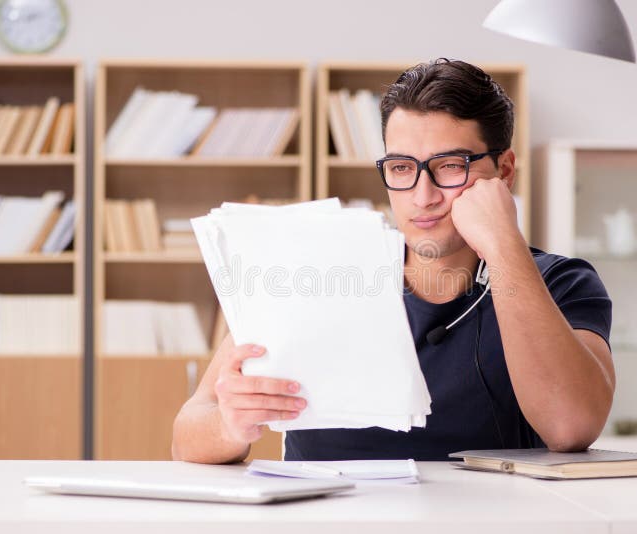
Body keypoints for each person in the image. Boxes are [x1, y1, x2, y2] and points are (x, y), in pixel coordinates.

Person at [172, 58, 614, 463]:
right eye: (402, 168)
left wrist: (502, 244)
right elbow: (187, 433)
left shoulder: (560, 282)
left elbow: (570, 427)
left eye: (449, 166)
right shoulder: (313, 271)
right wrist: (229, 425)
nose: (423, 197)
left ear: (503, 171)